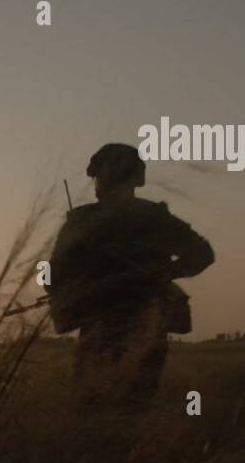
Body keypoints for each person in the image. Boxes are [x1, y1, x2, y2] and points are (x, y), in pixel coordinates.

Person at [47, 143, 215, 407]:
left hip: (101, 326)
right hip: (148, 323)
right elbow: (203, 253)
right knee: (136, 406)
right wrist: (165, 273)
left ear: (105, 176)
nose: (95, 184)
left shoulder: (83, 220)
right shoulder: (156, 218)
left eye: (98, 177)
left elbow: (51, 274)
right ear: (137, 177)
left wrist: (67, 291)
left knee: (91, 410)